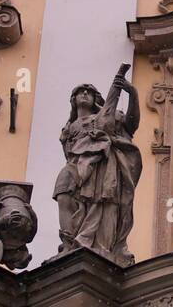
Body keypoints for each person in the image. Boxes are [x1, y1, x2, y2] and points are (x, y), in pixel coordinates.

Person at [54, 66, 143, 265]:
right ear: (73, 100)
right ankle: (69, 242)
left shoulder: (107, 116)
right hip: (76, 165)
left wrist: (132, 93)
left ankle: (97, 244)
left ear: (96, 99)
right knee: (63, 196)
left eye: (89, 92)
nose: (84, 94)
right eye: (80, 91)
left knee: (102, 202)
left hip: (101, 166)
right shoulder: (69, 127)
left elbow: (132, 124)